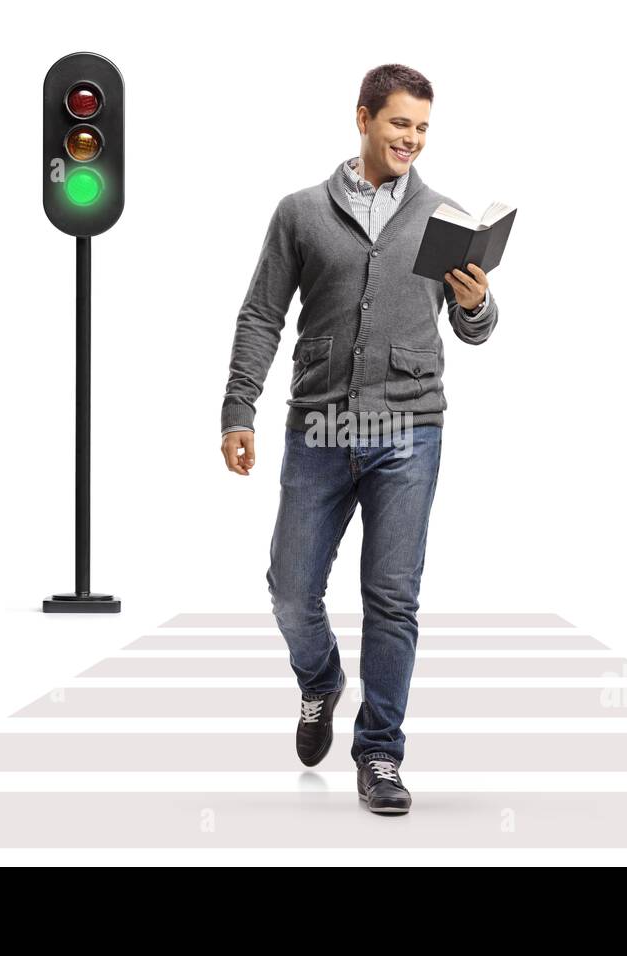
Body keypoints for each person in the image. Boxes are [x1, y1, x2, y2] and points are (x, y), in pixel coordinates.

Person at [219, 64, 500, 814]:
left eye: (423, 128)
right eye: (400, 123)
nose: (412, 139)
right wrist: (239, 409)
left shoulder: (445, 219)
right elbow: (261, 314)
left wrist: (476, 305)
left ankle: (379, 753)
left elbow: (474, 329)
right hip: (319, 426)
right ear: (364, 118)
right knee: (291, 589)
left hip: (409, 427)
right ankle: (320, 680)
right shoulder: (301, 213)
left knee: (392, 598)